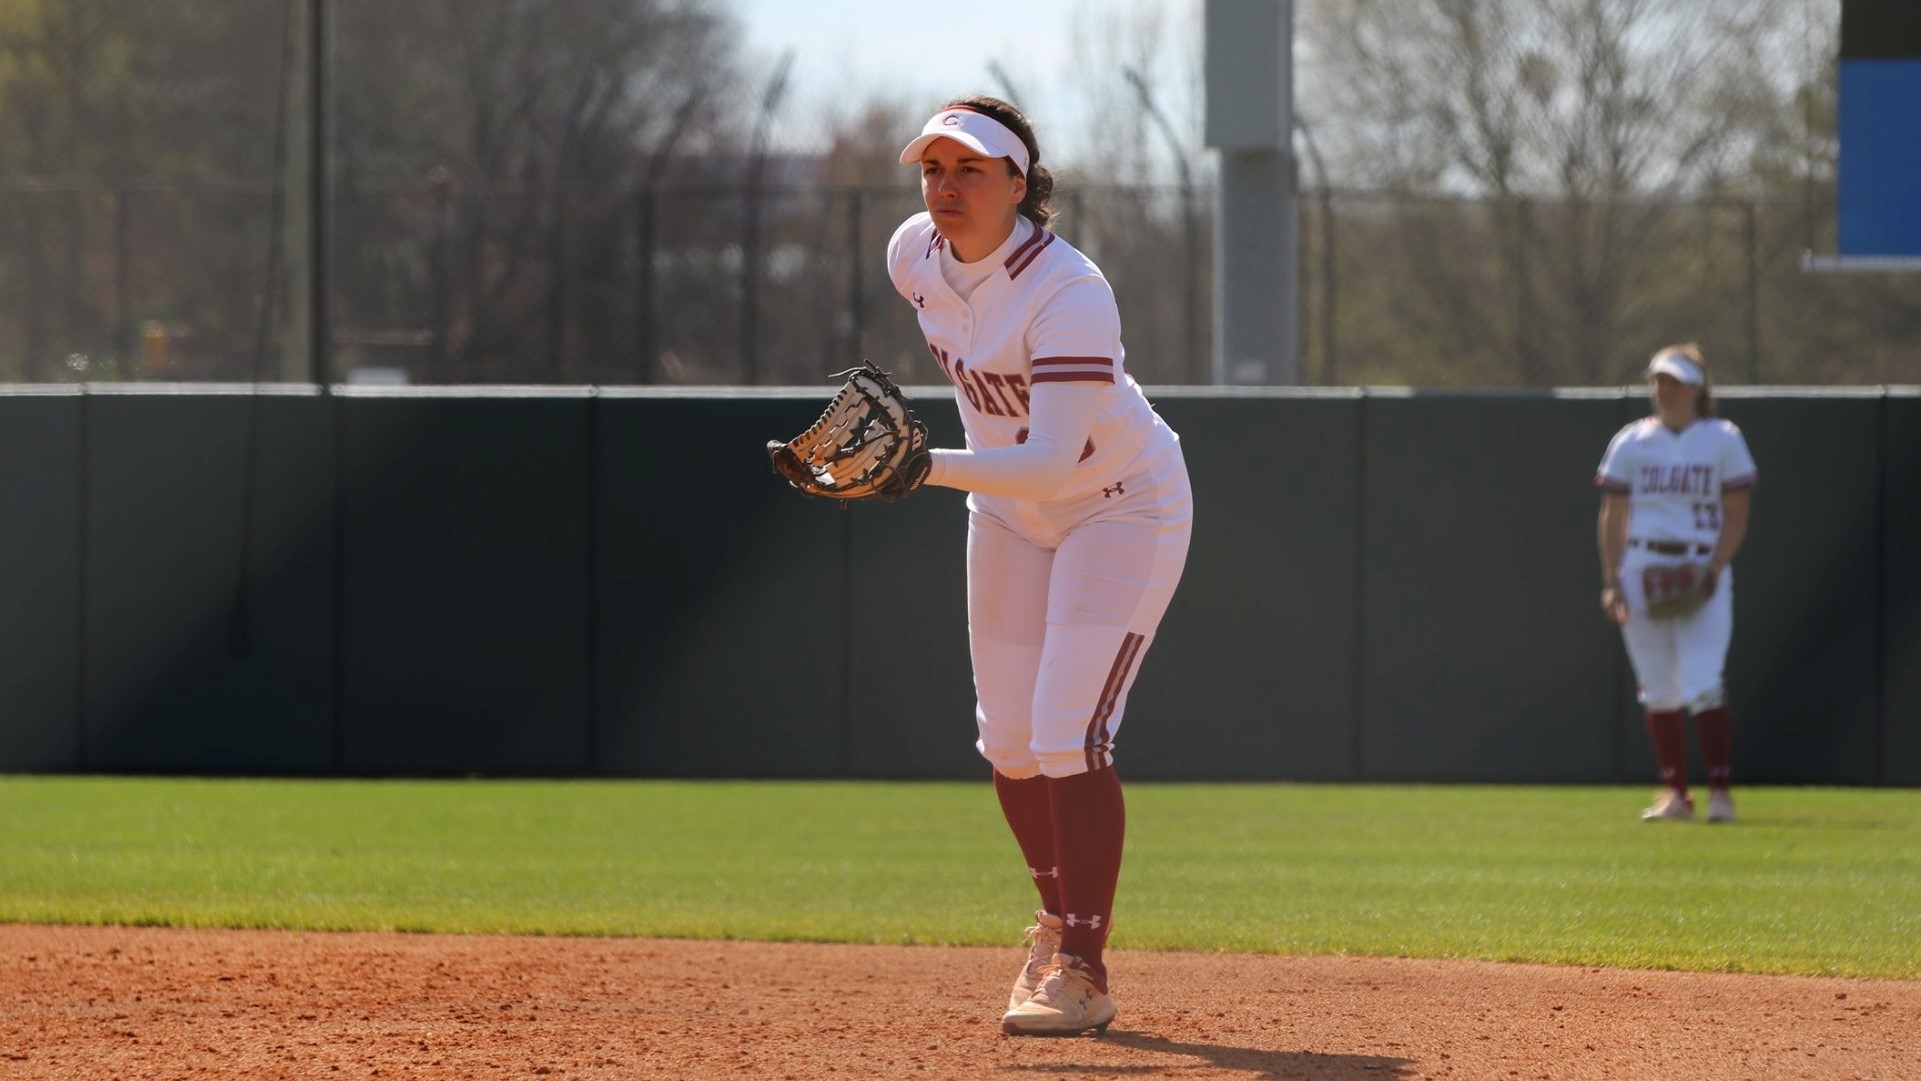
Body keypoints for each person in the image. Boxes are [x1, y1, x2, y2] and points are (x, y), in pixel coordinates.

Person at [888, 96, 1193, 1035]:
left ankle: (1082, 969)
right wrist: (942, 469)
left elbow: (1055, 456)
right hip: (1009, 514)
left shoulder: (1069, 289)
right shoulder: (912, 255)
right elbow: (1008, 450)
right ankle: (1058, 925)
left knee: (1067, 733)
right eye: (934, 168)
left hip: (1119, 504)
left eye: (971, 169)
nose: (946, 186)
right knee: (1011, 745)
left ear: (1019, 185)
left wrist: (917, 465)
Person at [1594, 344, 1757, 824]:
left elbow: (1738, 514)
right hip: (1643, 566)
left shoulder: (1722, 438)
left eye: (1673, 381)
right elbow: (1613, 514)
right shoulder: (1631, 441)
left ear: (1697, 389)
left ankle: (1721, 793)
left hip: (1698, 566)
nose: (1662, 390)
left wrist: (1713, 569)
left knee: (1704, 680)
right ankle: (1675, 795)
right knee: (1657, 687)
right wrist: (1611, 579)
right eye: (1658, 381)